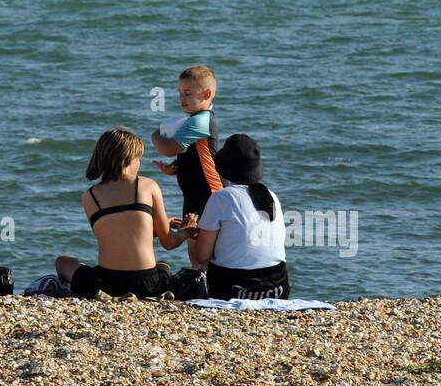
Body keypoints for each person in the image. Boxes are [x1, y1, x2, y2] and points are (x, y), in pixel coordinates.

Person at [55, 127, 196, 299]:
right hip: (148, 284)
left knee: (63, 262)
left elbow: (114, 235)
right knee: (163, 265)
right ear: (129, 159)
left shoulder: (90, 196)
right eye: (139, 159)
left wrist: (151, 228)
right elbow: (169, 243)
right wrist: (185, 232)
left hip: (105, 283)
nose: (139, 164)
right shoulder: (147, 186)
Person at [191, 133, 290, 300]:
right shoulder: (271, 195)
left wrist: (192, 233)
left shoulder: (222, 197)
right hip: (278, 286)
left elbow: (202, 256)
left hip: (233, 287)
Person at [149, 64, 222, 268]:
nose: (182, 98)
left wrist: (154, 135)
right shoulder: (193, 120)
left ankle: (210, 288)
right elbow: (194, 154)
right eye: (180, 93)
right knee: (193, 247)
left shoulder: (201, 121)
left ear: (207, 94)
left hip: (209, 194)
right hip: (193, 193)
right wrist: (175, 168)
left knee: (203, 249)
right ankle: (202, 285)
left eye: (188, 93)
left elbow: (168, 148)